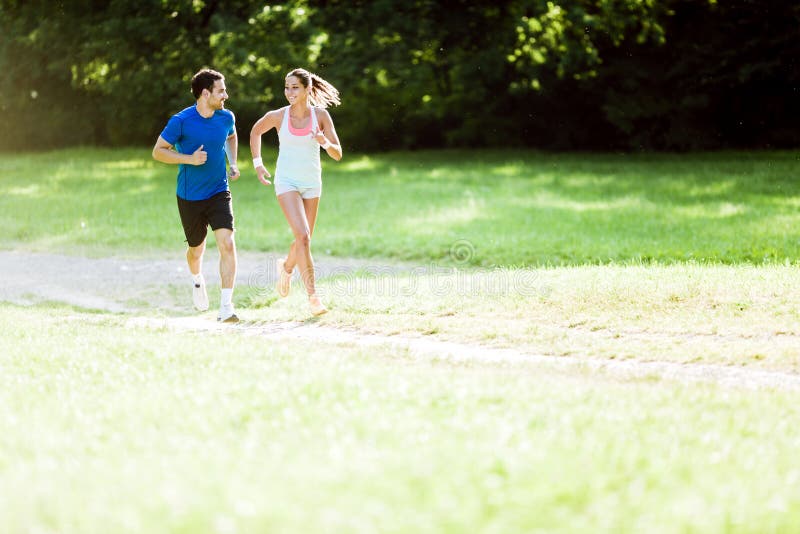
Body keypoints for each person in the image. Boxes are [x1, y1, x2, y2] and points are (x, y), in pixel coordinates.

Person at [249, 67, 342, 316]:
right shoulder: (278, 116)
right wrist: (258, 164)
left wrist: (325, 142)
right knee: (302, 237)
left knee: (304, 238)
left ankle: (286, 268)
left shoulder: (321, 116)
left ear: (307, 89)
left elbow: (338, 154)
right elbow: (256, 131)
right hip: (286, 181)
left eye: (295, 87)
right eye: (287, 87)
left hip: (312, 183)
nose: (289, 92)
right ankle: (314, 298)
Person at [151, 68, 241, 323]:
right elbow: (159, 151)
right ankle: (197, 280)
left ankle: (226, 307)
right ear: (205, 93)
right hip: (190, 196)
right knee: (196, 249)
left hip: (219, 191)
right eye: (221, 90)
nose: (226, 94)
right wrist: (189, 159)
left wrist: (232, 162)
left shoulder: (226, 117)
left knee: (227, 243)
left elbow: (231, 137)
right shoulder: (181, 121)